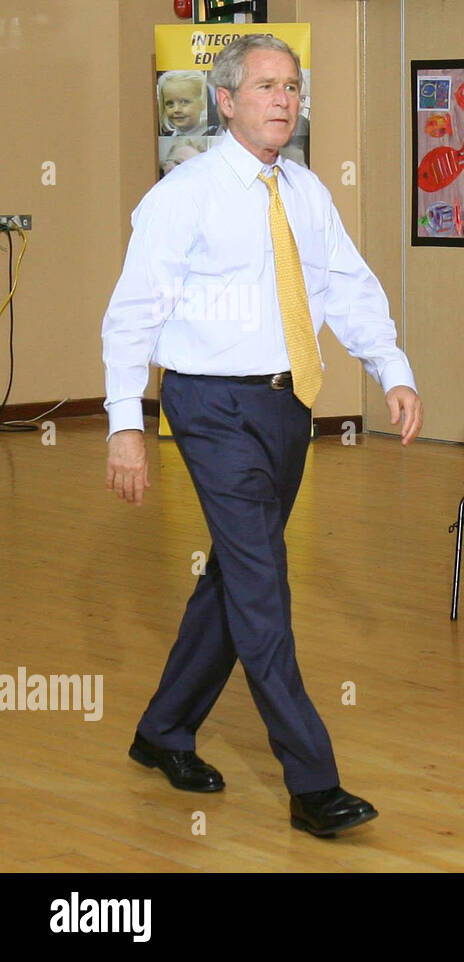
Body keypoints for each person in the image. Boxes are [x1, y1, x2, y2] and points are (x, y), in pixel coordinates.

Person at [103, 35, 423, 837]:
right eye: (267, 86)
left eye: (293, 86)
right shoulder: (183, 195)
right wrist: (122, 426)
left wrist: (393, 368)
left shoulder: (307, 192)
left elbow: (347, 285)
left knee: (235, 580)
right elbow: (131, 316)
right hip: (210, 408)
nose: (285, 100)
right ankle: (312, 785)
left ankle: (163, 730)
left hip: (287, 408)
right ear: (225, 100)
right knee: (262, 587)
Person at [157, 70, 220, 136]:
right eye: (170, 103)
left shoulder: (214, 133)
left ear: (203, 102)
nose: (176, 110)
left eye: (184, 102)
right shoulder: (170, 135)